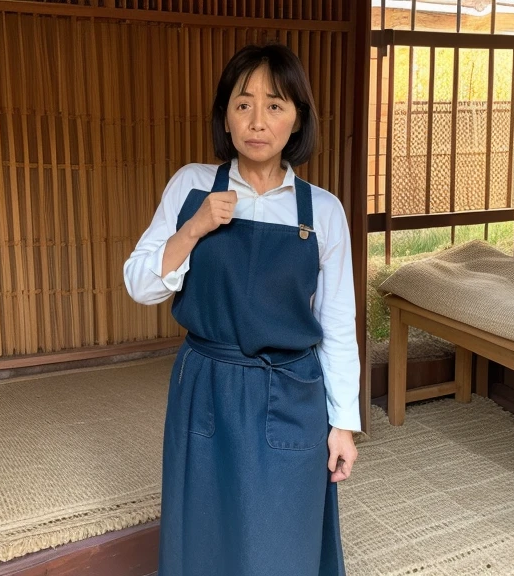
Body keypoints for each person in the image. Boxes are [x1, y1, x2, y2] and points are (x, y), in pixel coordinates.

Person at [123, 43, 360, 576]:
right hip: (207, 388)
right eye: (243, 103)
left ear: (297, 120)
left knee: (285, 540)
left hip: (292, 394)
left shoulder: (321, 210)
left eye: (275, 105)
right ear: (225, 117)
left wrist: (343, 423)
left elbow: (338, 323)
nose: (258, 121)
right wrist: (194, 228)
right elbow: (140, 284)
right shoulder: (191, 186)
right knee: (205, 538)